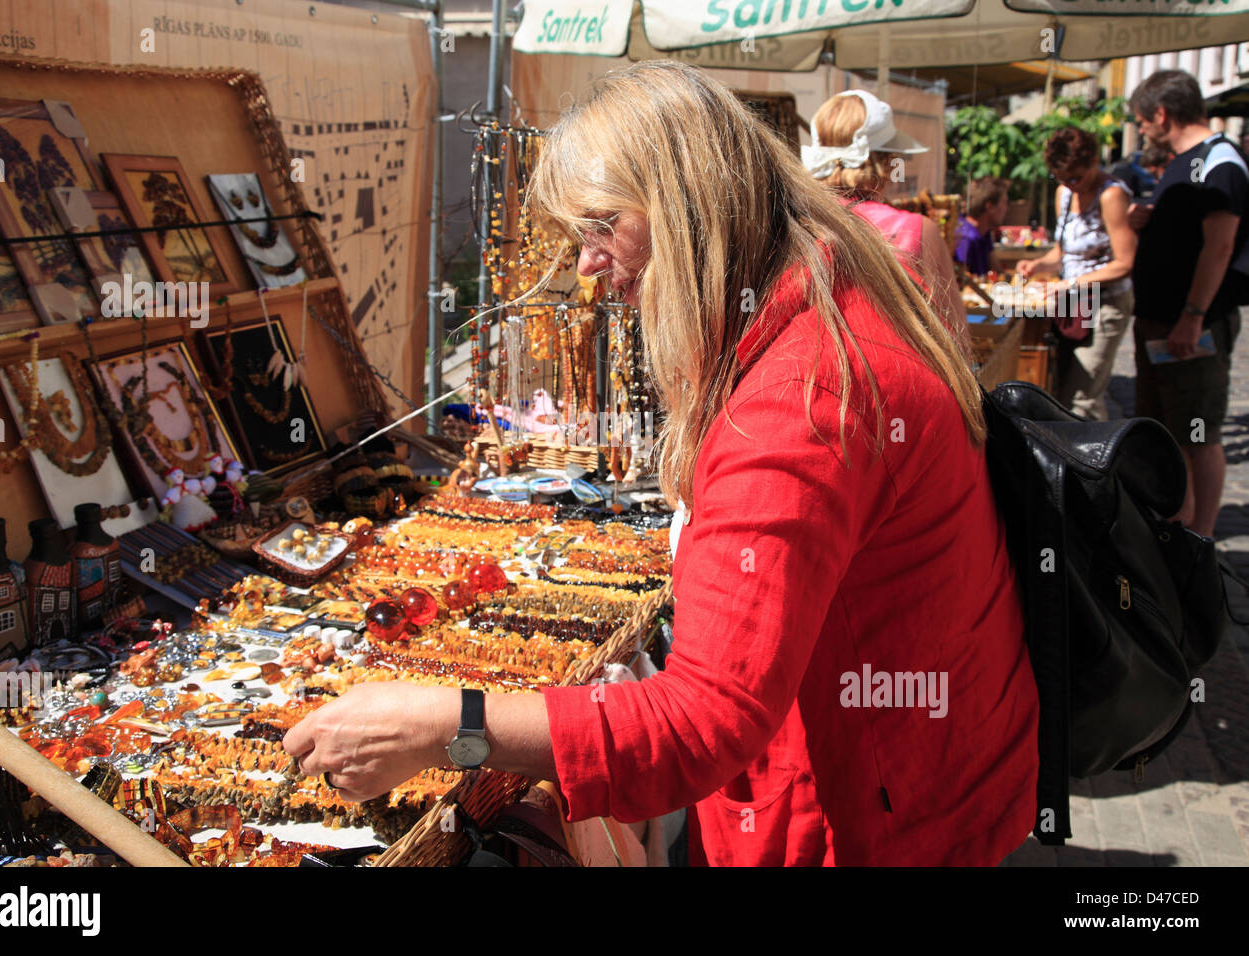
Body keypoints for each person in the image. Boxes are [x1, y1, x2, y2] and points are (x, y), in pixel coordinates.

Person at [282, 61, 1039, 866]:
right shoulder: (834, 285)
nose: (586, 265)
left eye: (602, 225)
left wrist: (445, 727)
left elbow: (701, 724)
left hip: (868, 817)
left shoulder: (801, 400)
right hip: (936, 771)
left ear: (686, 209)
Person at [1129, 70, 1249, 538]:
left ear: (1162, 114)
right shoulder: (1187, 162)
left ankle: (1199, 532)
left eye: (1142, 121)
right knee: (1172, 429)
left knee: (1199, 432)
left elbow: (1219, 247)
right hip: (1163, 321)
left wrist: (1192, 317)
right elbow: (1191, 230)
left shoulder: (1220, 162)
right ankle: (1179, 520)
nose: (1141, 130)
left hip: (1191, 324)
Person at [805, 89, 969, 343]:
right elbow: (956, 337)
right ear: (886, 161)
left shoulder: (795, 222)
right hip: (895, 378)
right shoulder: (916, 229)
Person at [1017, 126, 1137, 421]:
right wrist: (1039, 265)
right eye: (1062, 179)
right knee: (1062, 391)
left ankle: (1096, 459)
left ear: (1094, 161)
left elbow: (1124, 262)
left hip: (1104, 304)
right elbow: (1063, 251)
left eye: (1076, 177)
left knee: (1082, 396)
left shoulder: (1111, 195)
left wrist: (1069, 284)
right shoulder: (1065, 194)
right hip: (1073, 304)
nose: (1071, 185)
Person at [954, 176, 1009, 277]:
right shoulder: (965, 239)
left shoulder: (984, 233)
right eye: (1004, 203)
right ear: (989, 207)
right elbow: (961, 282)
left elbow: (999, 273)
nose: (1007, 209)